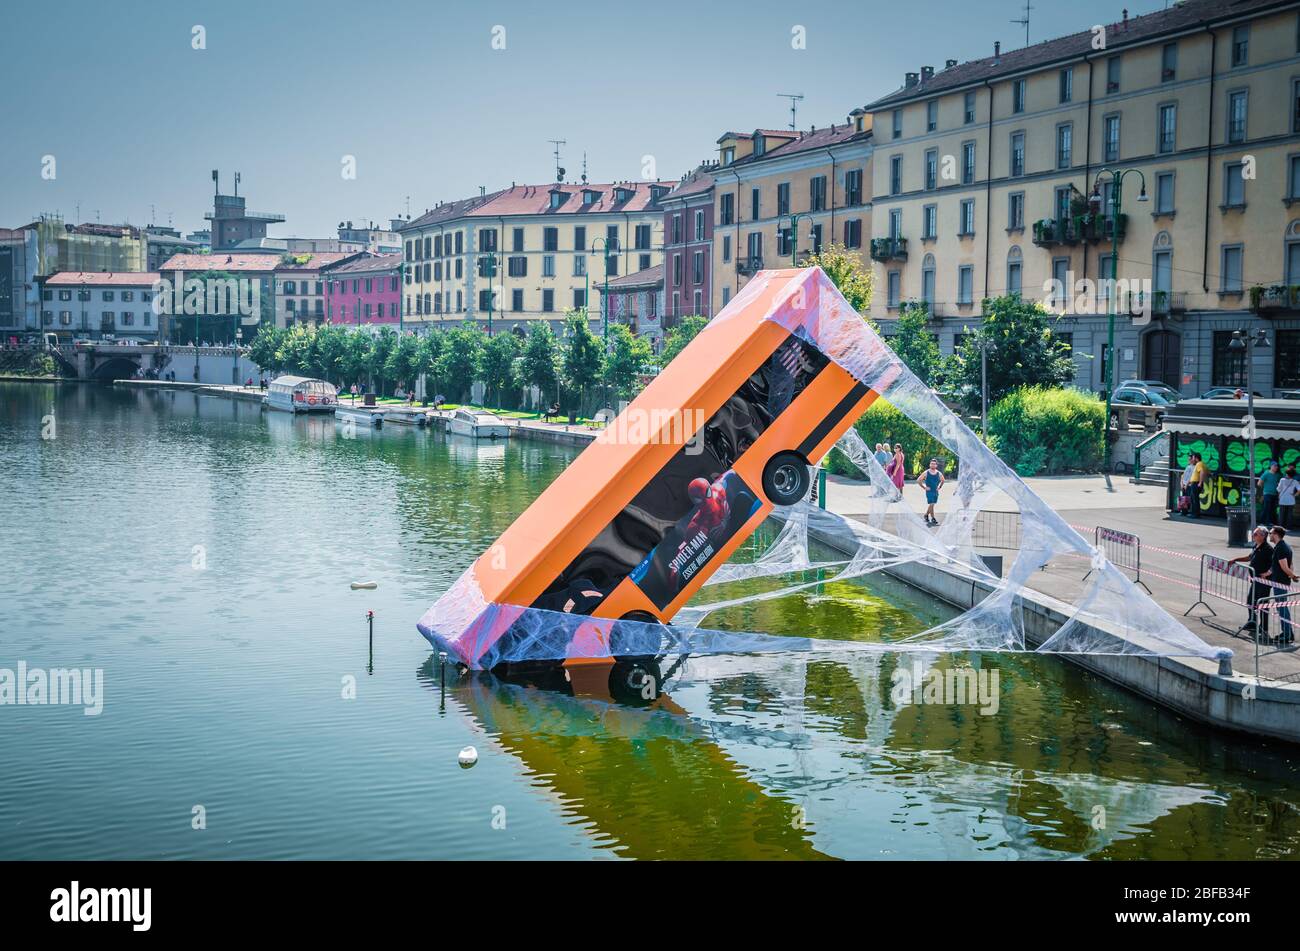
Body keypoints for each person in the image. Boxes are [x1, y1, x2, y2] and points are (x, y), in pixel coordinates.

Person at [1231, 526, 1274, 640]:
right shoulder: (1256, 546)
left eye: (1255, 534)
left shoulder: (1268, 549)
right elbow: (1250, 557)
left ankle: (1264, 628)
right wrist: (1236, 559)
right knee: (1250, 601)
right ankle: (1252, 622)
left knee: (1263, 605)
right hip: (1255, 580)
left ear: (1263, 536)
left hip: (1263, 582)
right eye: (1254, 533)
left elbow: (1275, 564)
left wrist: (1268, 573)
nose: (1253, 535)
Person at [1265, 526, 1296, 645]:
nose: (1269, 535)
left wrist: (1292, 576)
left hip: (1280, 583)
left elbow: (1284, 566)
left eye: (1270, 533)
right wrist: (1267, 573)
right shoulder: (1283, 546)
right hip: (1281, 581)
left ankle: (1287, 635)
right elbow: (1289, 564)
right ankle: (1287, 632)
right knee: (1282, 607)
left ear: (1276, 534)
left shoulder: (1281, 548)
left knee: (1282, 608)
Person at [917, 457, 946, 526]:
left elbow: (943, 480)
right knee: (932, 504)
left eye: (934, 464)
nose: (932, 465)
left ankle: (926, 515)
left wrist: (940, 487)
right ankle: (933, 518)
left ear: (936, 465)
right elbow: (918, 480)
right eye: (931, 464)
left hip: (935, 491)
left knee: (932, 504)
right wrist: (924, 487)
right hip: (929, 491)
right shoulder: (926, 472)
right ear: (930, 465)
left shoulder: (938, 473)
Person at [1258, 461, 1282, 526]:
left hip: (1274, 494)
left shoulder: (1277, 475)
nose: (1276, 467)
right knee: (1266, 508)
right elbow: (1259, 483)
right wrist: (1265, 489)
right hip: (1267, 494)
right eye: (1274, 466)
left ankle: (1269, 522)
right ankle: (1262, 522)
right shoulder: (1266, 474)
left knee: (1272, 509)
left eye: (1277, 466)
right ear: (1271, 466)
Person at [1187, 452, 1207, 518]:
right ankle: (1194, 513)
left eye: (1193, 458)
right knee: (1194, 499)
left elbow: (1202, 472)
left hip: (1196, 484)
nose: (1192, 459)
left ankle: (1195, 514)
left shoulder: (1199, 464)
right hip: (1195, 483)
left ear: (1196, 458)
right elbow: (1207, 472)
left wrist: (1200, 482)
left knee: (1194, 499)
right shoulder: (1202, 464)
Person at [1278, 465, 1298, 530]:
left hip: (1282, 499)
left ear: (1286, 473)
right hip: (1291, 500)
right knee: (1290, 514)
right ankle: (1289, 527)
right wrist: (1294, 495)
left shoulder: (1282, 480)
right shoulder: (1295, 481)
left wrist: (1279, 495)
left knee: (1281, 514)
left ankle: (1280, 527)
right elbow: (1299, 489)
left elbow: (1278, 489)